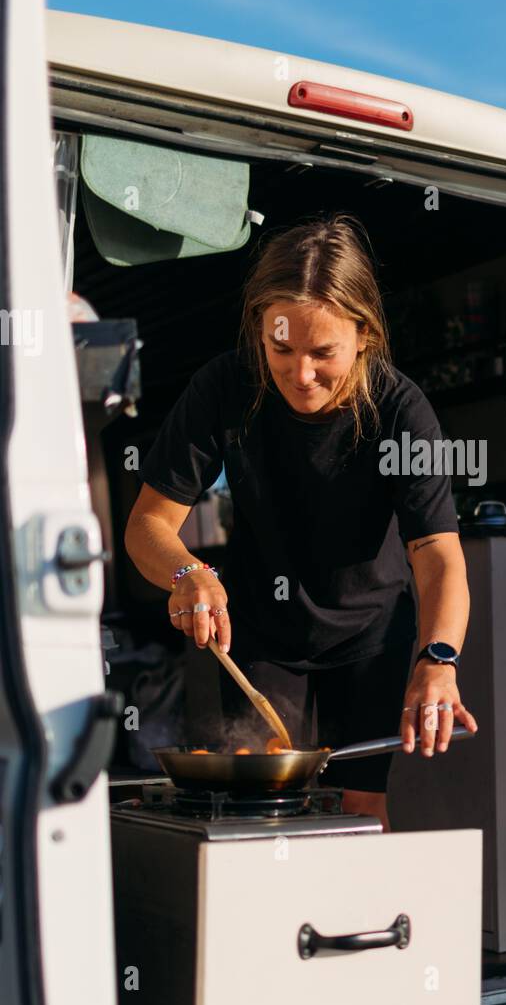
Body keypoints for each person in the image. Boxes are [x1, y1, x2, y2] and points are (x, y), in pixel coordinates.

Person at [124, 213, 477, 829]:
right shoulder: (223, 388)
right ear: (259, 327)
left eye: (323, 353)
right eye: (280, 348)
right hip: (261, 633)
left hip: (371, 633)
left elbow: (438, 554)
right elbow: (148, 523)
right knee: (260, 802)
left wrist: (438, 659)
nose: (300, 374)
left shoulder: (401, 411)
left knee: (359, 807)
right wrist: (187, 571)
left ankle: (353, 922)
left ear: (364, 334)